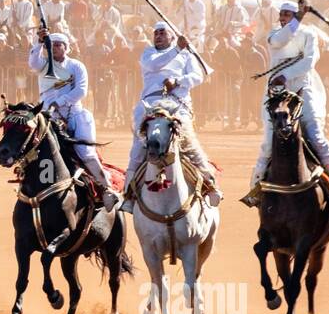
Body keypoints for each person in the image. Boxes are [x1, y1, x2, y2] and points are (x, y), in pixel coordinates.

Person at [241, 0, 329, 206]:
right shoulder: (274, 34)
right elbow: (282, 39)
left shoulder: (309, 34)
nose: (284, 17)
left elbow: (309, 61)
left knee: (315, 136)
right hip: (277, 94)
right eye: (283, 14)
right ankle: (256, 188)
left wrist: (286, 75)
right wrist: (297, 18)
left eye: (289, 14)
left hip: (304, 89)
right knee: (268, 144)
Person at [123, 21, 219, 210]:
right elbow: (154, 65)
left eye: (162, 32)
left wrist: (178, 81)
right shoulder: (148, 53)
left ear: (172, 36)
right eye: (156, 33)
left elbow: (198, 76)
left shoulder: (186, 54)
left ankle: (211, 185)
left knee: (190, 145)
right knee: (138, 148)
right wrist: (177, 49)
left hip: (178, 105)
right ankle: (128, 195)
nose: (157, 36)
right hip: (150, 105)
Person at [28, 28, 118, 210]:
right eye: (51, 45)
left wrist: (58, 102)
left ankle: (107, 189)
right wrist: (39, 41)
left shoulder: (76, 66)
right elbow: (32, 62)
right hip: (48, 118)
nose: (54, 48)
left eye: (58, 45)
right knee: (34, 151)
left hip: (75, 116)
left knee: (86, 154)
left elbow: (81, 90)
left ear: (66, 47)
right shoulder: (43, 64)